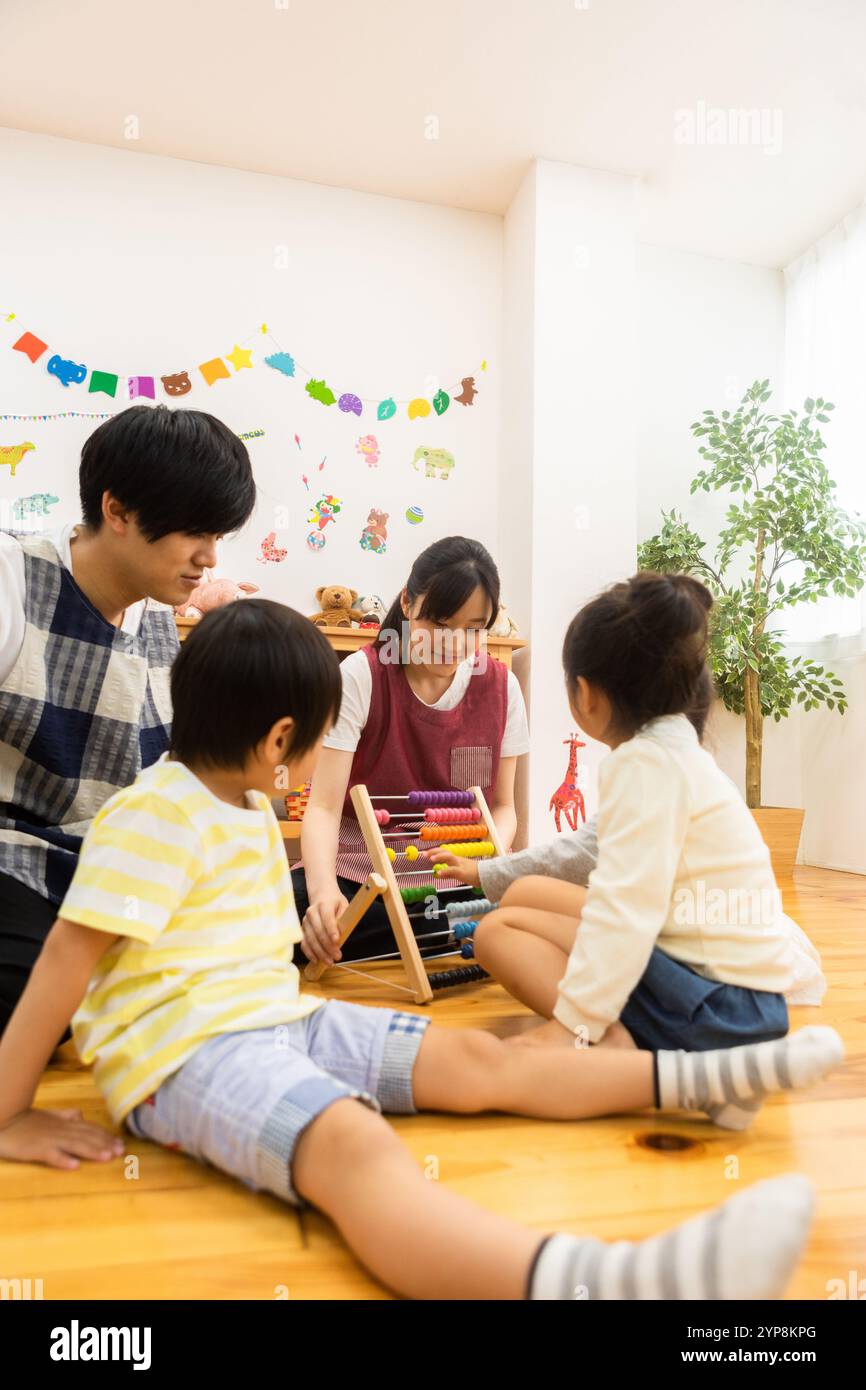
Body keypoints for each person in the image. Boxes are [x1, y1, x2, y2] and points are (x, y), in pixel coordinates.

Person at [0, 600, 842, 1300]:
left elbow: (237, 941)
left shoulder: (243, 805)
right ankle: (592, 1282)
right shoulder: (153, 816)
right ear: (279, 739)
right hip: (184, 1057)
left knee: (477, 1060)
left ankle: (717, 1075)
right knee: (356, 1147)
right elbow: (65, 962)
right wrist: (9, 1111)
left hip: (277, 1019)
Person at [433, 573, 826, 1055]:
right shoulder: (676, 752)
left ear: (587, 693)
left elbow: (625, 915)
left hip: (716, 1013)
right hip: (752, 1001)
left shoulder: (640, 766)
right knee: (526, 891)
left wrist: (575, 1022)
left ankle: (612, 1046)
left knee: (495, 933)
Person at [0, 404, 256, 1034]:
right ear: (116, 511)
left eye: (219, 535)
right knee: (35, 994)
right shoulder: (13, 581)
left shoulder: (161, 622)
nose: (209, 559)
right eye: (194, 532)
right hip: (16, 865)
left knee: (290, 924)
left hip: (118, 876)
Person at [295, 536, 529, 964]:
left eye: (474, 629)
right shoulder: (362, 675)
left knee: (535, 917)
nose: (455, 644)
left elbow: (503, 808)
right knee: (281, 920)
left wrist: (482, 863)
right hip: (364, 872)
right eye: (440, 623)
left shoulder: (501, 688)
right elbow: (324, 808)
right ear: (407, 603)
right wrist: (323, 892)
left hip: (459, 873)